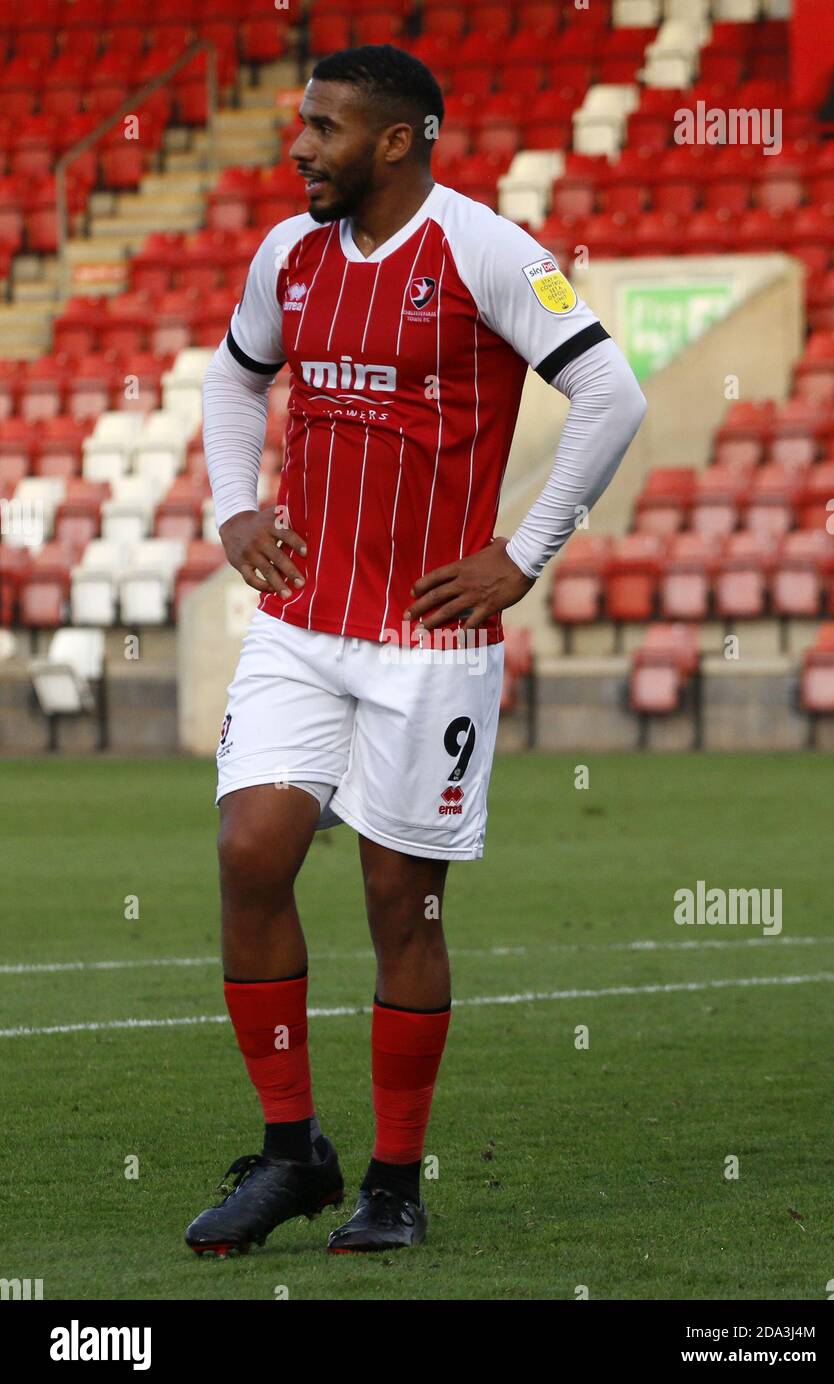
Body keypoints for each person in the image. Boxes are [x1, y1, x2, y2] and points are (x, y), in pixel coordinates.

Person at [186, 44, 646, 1257]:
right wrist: (236, 506)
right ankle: (292, 1153)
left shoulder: (486, 251)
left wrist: (525, 552)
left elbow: (612, 395)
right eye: (302, 123)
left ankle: (394, 1178)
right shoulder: (287, 256)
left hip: (427, 641)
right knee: (249, 852)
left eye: (326, 128)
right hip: (300, 621)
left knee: (402, 901)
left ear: (398, 140)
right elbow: (233, 384)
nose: (300, 146)